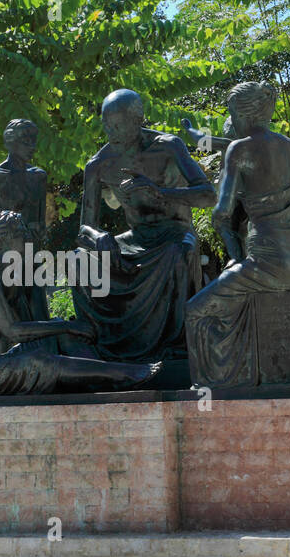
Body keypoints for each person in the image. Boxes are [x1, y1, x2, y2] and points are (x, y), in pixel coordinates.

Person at [0, 211, 159, 397]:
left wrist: (64, 329)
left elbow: (39, 327)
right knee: (38, 362)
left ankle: (102, 385)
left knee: (61, 337)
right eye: (21, 233)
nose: (28, 237)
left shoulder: (19, 273)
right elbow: (13, 331)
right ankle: (122, 374)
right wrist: (67, 326)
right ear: (3, 241)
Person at [185, 81, 290, 387]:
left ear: (244, 114)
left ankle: (220, 385)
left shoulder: (239, 149)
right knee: (234, 300)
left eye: (232, 114)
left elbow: (222, 209)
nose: (232, 121)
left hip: (267, 264)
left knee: (195, 312)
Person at [74, 89, 216, 362]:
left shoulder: (169, 146)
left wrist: (160, 192)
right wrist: (98, 236)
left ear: (138, 120)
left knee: (177, 253)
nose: (111, 132)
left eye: (118, 125)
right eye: (106, 125)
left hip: (175, 232)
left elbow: (208, 196)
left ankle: (174, 347)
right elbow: (84, 229)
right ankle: (100, 344)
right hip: (135, 238)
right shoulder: (99, 164)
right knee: (80, 259)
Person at [0, 118, 48, 244]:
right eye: (26, 142)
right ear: (11, 141)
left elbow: (41, 223)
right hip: (5, 249)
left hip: (32, 249)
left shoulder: (39, 177)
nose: (32, 147)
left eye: (34, 142)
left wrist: (38, 230)